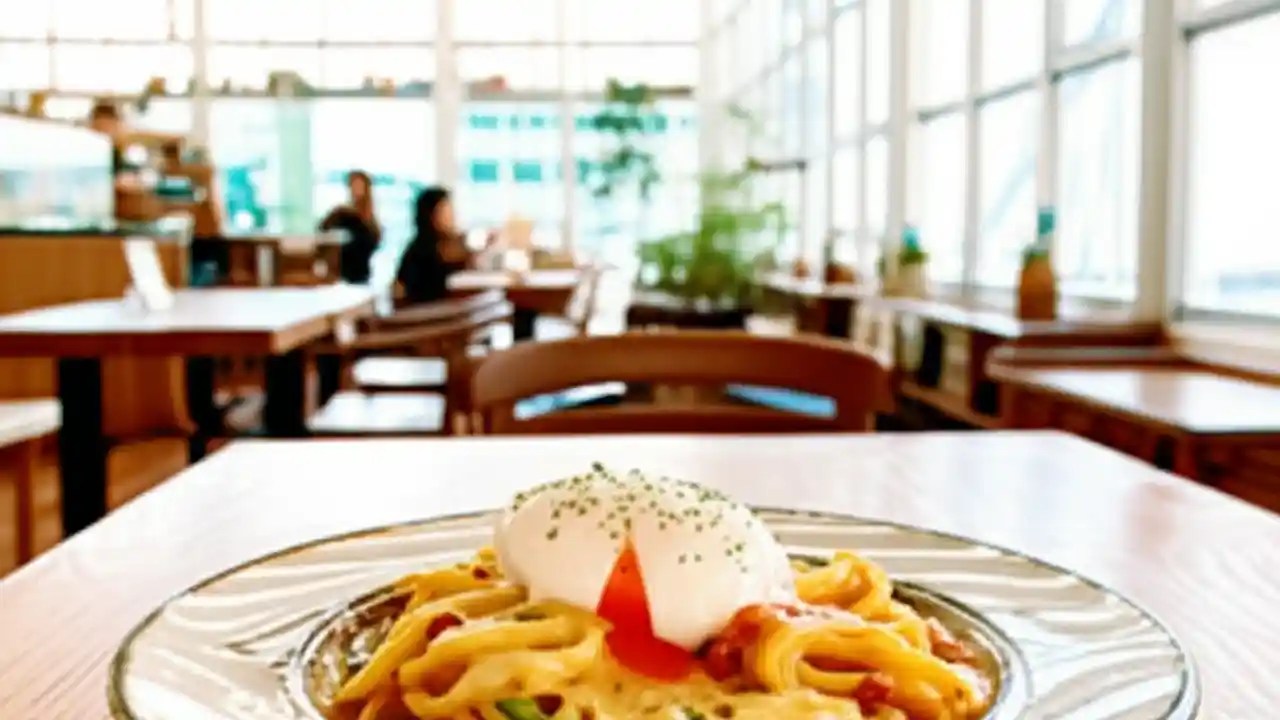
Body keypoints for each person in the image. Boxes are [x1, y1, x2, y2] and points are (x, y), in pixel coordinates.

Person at [396, 186, 470, 305]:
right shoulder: (421, 251)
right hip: (428, 315)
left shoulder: (450, 243)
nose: (451, 217)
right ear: (430, 216)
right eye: (445, 211)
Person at [320, 170, 381, 284]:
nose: (355, 189)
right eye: (352, 185)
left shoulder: (370, 221)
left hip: (361, 275)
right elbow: (323, 233)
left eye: (358, 185)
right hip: (342, 275)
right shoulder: (340, 214)